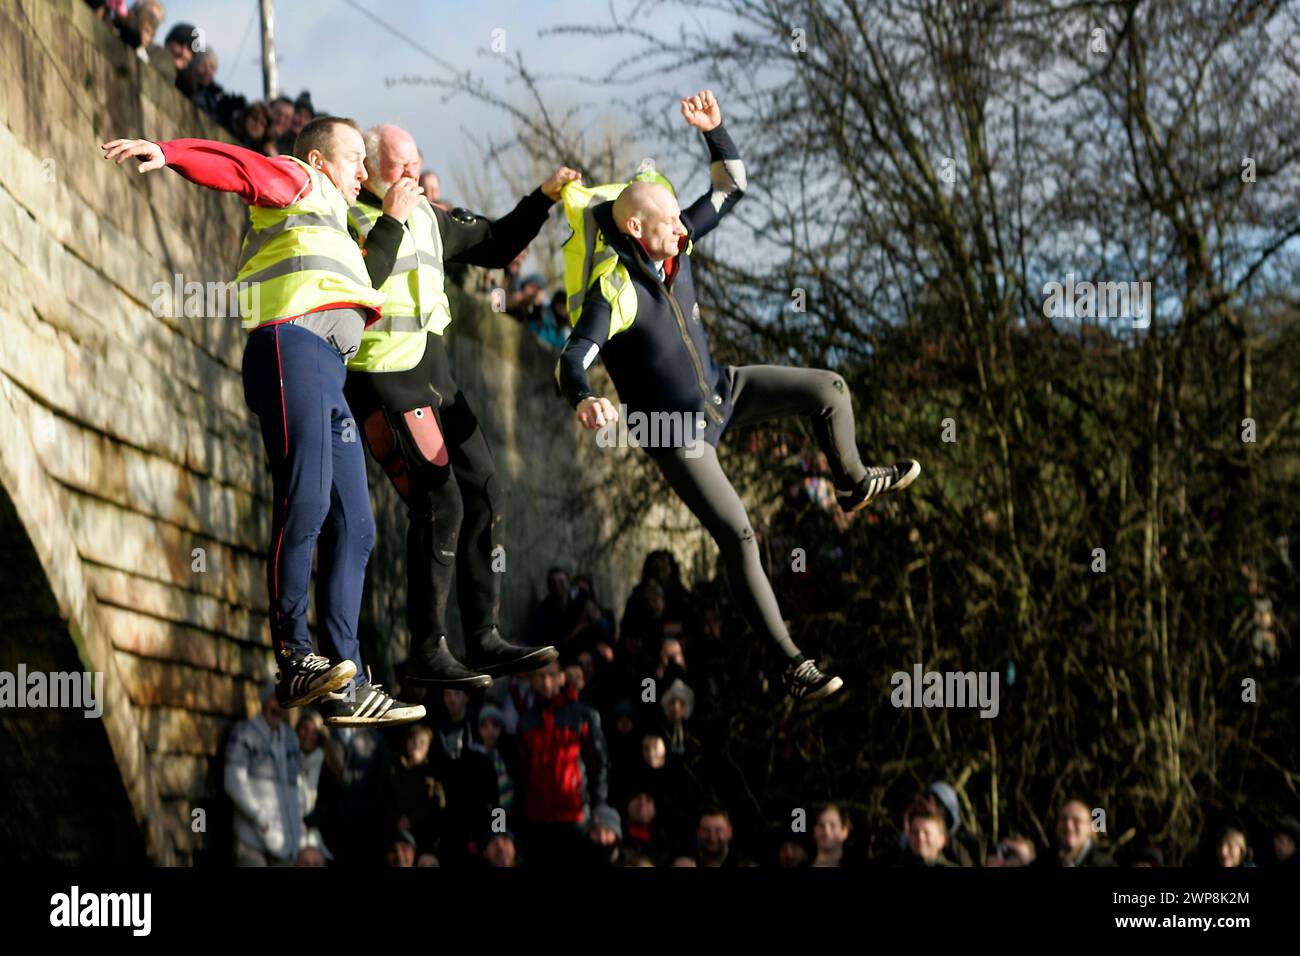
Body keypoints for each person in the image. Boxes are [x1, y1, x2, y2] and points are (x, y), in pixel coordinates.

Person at [558, 90, 920, 702]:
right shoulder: (613, 287)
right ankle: (790, 664)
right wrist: (583, 398)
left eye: (681, 218)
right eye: (670, 221)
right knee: (740, 534)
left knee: (830, 388)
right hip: (677, 435)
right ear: (635, 229)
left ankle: (854, 481)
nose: (682, 226)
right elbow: (575, 354)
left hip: (724, 392)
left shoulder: (677, 242)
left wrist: (715, 131)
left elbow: (731, 187)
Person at [101, 119, 426, 727]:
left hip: (329, 369)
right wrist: (171, 152)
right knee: (304, 502)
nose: (364, 171)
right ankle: (294, 656)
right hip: (289, 349)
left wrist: (394, 222)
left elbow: (365, 273)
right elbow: (237, 167)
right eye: (355, 158)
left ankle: (344, 678)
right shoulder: (300, 180)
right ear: (317, 159)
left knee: (356, 525)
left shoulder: (337, 223)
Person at [344, 123, 573, 688]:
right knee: (439, 499)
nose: (413, 177)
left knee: (486, 487)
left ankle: (484, 636)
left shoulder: (428, 215)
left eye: (417, 164)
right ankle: (426, 646)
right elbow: (359, 285)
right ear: (369, 171)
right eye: (400, 167)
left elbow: (495, 242)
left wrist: (542, 198)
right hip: (384, 379)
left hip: (435, 376)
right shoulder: (350, 221)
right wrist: (392, 219)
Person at [515, 661, 610, 864]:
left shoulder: (584, 715)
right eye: (540, 676)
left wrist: (598, 806)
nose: (546, 682)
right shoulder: (526, 721)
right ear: (532, 681)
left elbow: (599, 764)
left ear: (562, 677)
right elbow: (522, 772)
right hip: (538, 819)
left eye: (551, 675)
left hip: (575, 815)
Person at [224, 684, 301, 866]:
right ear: (264, 702)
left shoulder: (291, 739)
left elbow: (296, 787)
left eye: (283, 702)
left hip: (286, 842)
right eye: (274, 700)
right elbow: (233, 782)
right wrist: (260, 818)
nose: (278, 707)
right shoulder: (245, 733)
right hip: (251, 840)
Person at [1043, 799, 1116, 867]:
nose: (1069, 826)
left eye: (1077, 820)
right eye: (1064, 819)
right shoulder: (1043, 861)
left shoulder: (1106, 864)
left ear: (1089, 827)